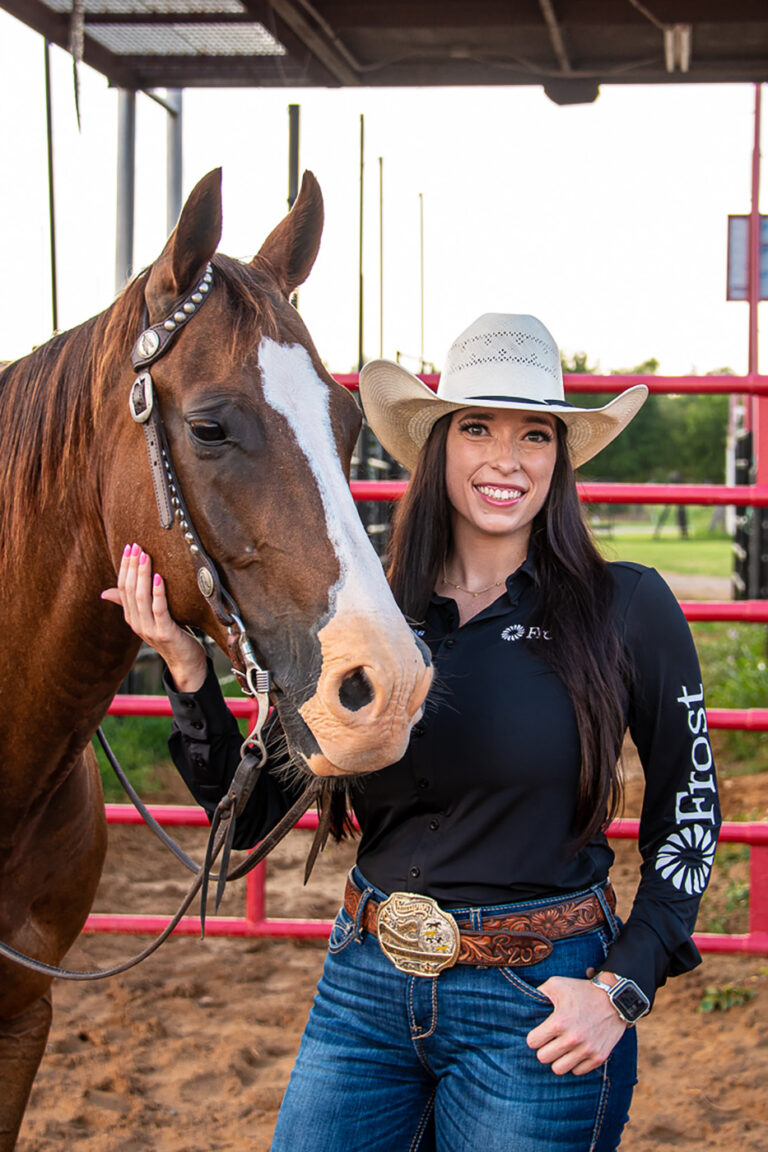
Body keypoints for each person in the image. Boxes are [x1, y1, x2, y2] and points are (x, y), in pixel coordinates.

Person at [103, 313, 721, 1152]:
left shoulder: (627, 608)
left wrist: (622, 987)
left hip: (539, 1004)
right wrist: (185, 672)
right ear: (438, 445)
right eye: (478, 428)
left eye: (534, 435)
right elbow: (248, 821)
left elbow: (690, 811)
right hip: (365, 986)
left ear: (558, 458)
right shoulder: (370, 616)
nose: (506, 459)